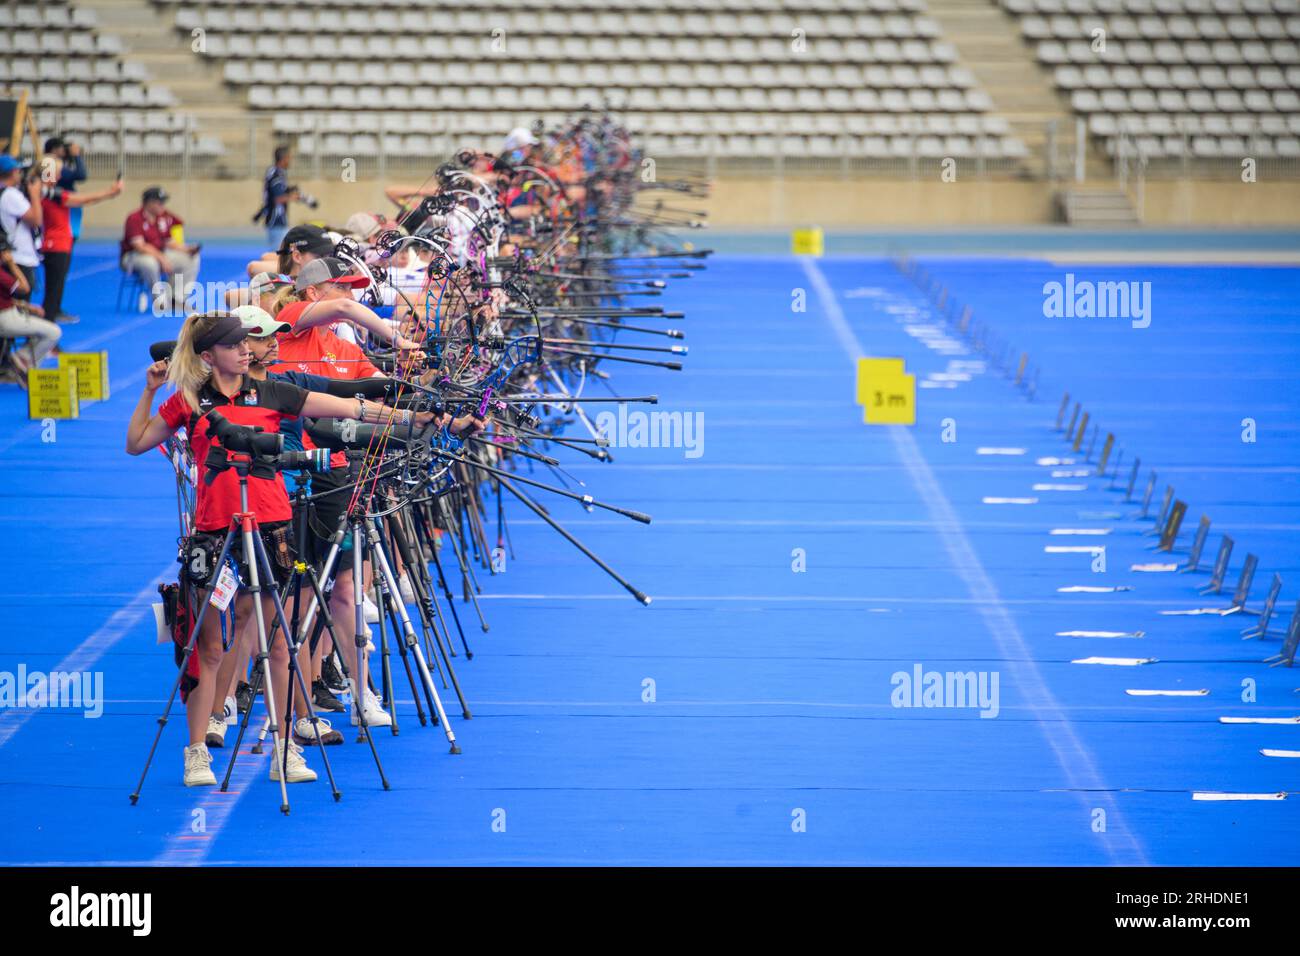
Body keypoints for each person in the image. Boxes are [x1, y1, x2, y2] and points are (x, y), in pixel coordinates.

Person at [125, 310, 435, 787]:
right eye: (235, 345)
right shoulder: (187, 401)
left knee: (280, 641)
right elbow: (137, 442)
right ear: (209, 356)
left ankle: (285, 749)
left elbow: (346, 407)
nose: (246, 350)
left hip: (272, 527)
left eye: (246, 344)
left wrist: (416, 419)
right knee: (207, 646)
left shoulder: (272, 391)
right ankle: (196, 753)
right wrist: (149, 390)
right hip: (213, 530)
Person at [40, 165, 123, 324]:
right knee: (52, 295)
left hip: (60, 244)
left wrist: (109, 193)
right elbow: (83, 199)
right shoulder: (50, 194)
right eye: (56, 174)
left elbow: (85, 200)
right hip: (56, 245)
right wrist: (110, 192)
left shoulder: (51, 193)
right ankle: (45, 336)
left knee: (54, 293)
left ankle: (48, 331)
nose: (59, 177)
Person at [121, 186, 200, 314]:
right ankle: (160, 302)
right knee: (149, 263)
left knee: (191, 258)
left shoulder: (162, 218)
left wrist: (187, 249)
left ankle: (176, 299)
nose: (163, 206)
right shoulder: (134, 218)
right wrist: (161, 258)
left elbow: (168, 241)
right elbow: (139, 246)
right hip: (134, 257)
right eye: (160, 202)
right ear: (149, 203)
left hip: (159, 254)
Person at [0, 233, 60, 376]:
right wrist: (11, 264)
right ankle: (23, 360)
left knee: (38, 328)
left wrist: (27, 306)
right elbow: (24, 287)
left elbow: (4, 299)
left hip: (7, 315)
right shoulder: (2, 274)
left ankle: (20, 360)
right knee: (54, 332)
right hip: (6, 319)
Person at [0, 155, 42, 299]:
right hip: (18, 258)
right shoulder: (11, 195)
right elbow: (36, 220)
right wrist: (35, 194)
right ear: (13, 172)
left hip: (8, 253)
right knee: (19, 302)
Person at [254, 146, 298, 253]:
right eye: (289, 158)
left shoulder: (277, 172)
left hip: (277, 220)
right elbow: (277, 198)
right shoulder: (276, 174)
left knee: (280, 251)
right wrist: (293, 197)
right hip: (276, 220)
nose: (290, 161)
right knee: (278, 252)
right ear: (283, 159)